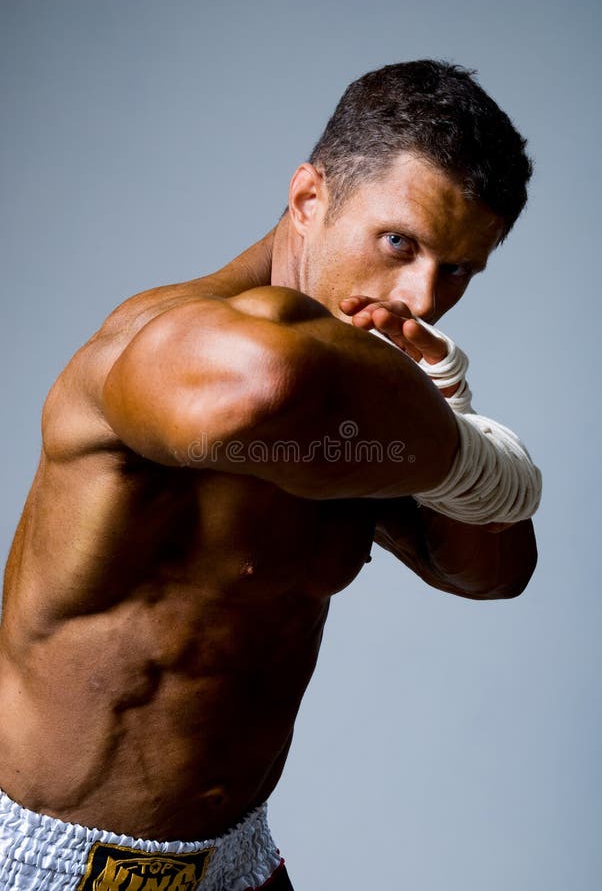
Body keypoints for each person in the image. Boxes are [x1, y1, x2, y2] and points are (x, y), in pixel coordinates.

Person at [0, 60, 540, 890]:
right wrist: (469, 452)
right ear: (308, 199)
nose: (423, 297)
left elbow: (495, 569)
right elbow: (259, 391)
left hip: (240, 864)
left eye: (459, 269)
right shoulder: (160, 343)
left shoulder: (370, 395)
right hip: (49, 869)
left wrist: (445, 400)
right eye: (400, 243)